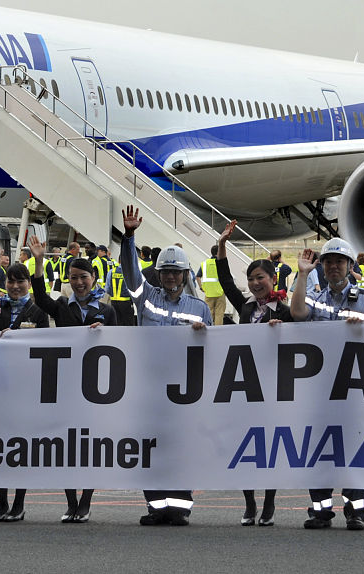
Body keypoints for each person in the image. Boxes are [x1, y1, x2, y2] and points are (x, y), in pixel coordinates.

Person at [119, 206, 210, 526]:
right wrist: (129, 237)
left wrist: (204, 337)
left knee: (181, 448)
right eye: (165, 271)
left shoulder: (200, 309)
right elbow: (130, 273)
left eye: (176, 271)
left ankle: (180, 506)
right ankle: (156, 506)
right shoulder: (145, 298)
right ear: (157, 274)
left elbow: (211, 354)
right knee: (150, 448)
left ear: (185, 275)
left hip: (184, 394)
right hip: (148, 390)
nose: (170, 276)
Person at [27, 233, 114, 523]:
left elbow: (121, 345)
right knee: (66, 445)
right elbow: (40, 297)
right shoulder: (63, 307)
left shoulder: (107, 310)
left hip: (95, 388)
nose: (78, 282)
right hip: (65, 384)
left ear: (93, 277)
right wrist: (39, 262)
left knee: (89, 446)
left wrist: (107, 331)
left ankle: (86, 501)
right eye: (74, 278)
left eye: (83, 277)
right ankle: (70, 501)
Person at [290, 236, 364, 531]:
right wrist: (301, 273)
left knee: (353, 447)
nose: (334, 266)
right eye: (329, 262)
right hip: (320, 390)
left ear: (350, 266)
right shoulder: (314, 297)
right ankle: (321, 509)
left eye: (339, 261)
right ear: (322, 267)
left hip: (354, 389)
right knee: (319, 448)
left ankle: (355, 510)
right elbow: (298, 314)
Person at [214, 221, 289, 526]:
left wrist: (282, 331)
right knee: (244, 444)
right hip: (245, 386)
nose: (255, 283)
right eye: (251, 279)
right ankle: (249, 503)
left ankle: (270, 502)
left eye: (260, 278)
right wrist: (221, 246)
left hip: (273, 387)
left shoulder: (285, 309)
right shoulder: (245, 306)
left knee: (268, 447)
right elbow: (225, 280)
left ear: (273, 278)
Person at [0, 248, 50, 522]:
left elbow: (44, 344)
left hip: (25, 390)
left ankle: (19, 503)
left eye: (20, 281)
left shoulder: (38, 310)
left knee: (19, 448)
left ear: (29, 283)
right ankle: (2, 502)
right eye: (10, 282)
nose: (15, 286)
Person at [197, 245, 226, 325]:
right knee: (219, 314)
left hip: (208, 293)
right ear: (219, 252)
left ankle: (207, 330)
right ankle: (218, 332)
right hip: (220, 292)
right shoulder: (221, 263)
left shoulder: (205, 263)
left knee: (208, 313)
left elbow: (198, 276)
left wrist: (201, 287)